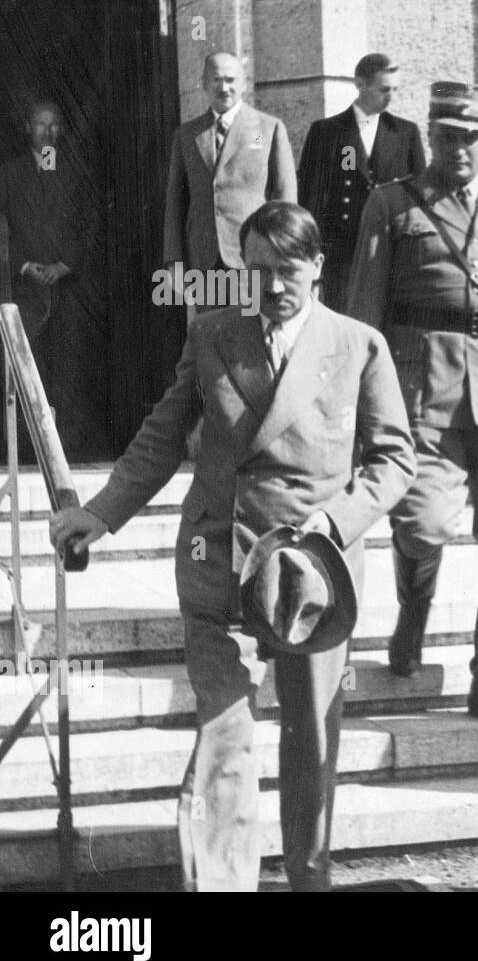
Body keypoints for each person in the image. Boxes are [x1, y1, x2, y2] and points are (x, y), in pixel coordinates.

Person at [49, 201, 415, 891]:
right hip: (221, 561)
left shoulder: (359, 345)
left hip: (316, 574)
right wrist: (102, 512)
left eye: (287, 270)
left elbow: (394, 460)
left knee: (311, 738)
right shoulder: (214, 334)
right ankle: (222, 883)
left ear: (318, 267)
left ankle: (310, 875)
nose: (273, 287)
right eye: (258, 271)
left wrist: (334, 524)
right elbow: (165, 430)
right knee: (224, 735)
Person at [346, 80, 478, 726]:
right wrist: (359, 411)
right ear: (431, 136)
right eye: (447, 136)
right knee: (421, 526)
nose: (459, 148)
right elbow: (364, 313)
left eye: (472, 137)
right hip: (421, 394)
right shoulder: (390, 205)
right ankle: (413, 616)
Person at [0, 99, 110, 460]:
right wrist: (24, 265)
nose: (47, 132)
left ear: (61, 130)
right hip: (26, 290)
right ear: (27, 128)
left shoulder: (76, 172)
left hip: (69, 288)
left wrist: (66, 265)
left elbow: (92, 224)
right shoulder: (9, 174)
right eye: (39, 125)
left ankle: (71, 453)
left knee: (71, 371)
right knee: (30, 372)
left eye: (54, 125)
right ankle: (30, 454)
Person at [298, 53, 427, 310]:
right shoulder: (326, 133)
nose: (391, 96)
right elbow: (310, 198)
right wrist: (312, 256)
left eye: (394, 90)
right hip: (343, 255)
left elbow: (419, 195)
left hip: (392, 251)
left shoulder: (405, 132)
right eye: (384, 89)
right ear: (360, 84)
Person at [164, 52, 296, 280]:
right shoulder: (187, 135)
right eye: (216, 80)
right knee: (208, 318)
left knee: (252, 317)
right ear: (203, 83)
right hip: (203, 262)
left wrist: (282, 254)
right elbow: (176, 201)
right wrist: (174, 262)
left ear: (243, 83)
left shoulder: (267, 128)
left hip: (254, 258)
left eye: (231, 80)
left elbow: (284, 196)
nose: (224, 87)